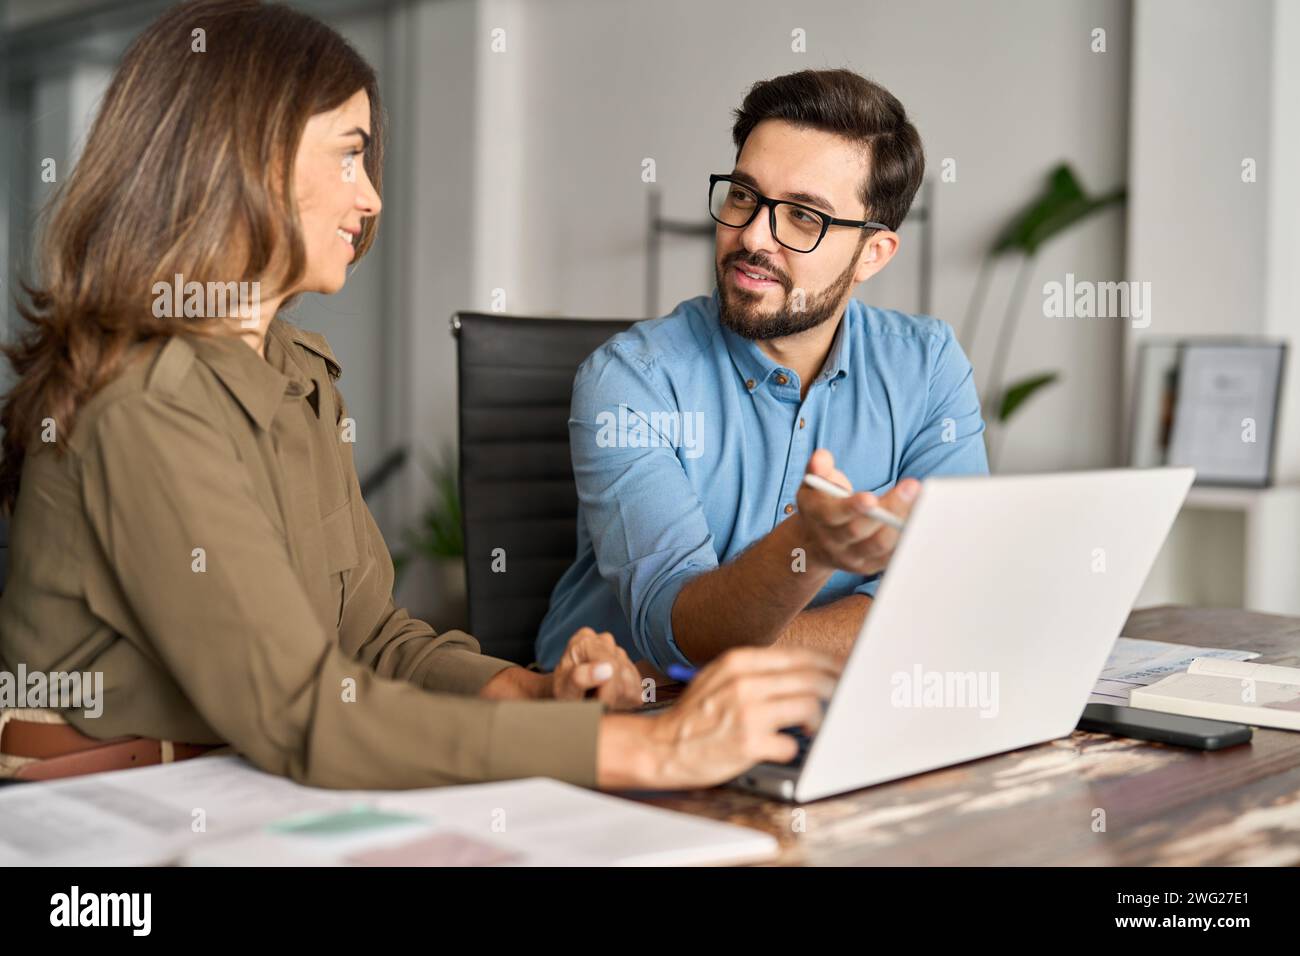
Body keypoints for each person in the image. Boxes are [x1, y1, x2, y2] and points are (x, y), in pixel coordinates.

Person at [0, 0, 838, 789]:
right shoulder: (147, 398)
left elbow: (371, 638)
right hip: (107, 804)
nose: (369, 197)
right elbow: (304, 714)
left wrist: (526, 692)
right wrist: (651, 747)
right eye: (347, 152)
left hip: (235, 781)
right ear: (243, 153)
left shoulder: (296, 373)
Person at [537, 69, 989, 674]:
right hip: (626, 721)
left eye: (804, 216)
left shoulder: (927, 366)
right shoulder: (631, 380)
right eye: (744, 195)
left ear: (872, 254)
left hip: (828, 711)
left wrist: (763, 652)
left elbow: (951, 592)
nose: (752, 236)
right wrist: (811, 547)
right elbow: (676, 629)